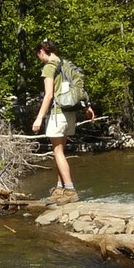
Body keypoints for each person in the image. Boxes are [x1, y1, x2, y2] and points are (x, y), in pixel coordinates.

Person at [31, 38, 89, 202]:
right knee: (60, 151)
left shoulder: (49, 67)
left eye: (38, 55)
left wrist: (39, 118)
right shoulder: (67, 65)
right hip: (70, 113)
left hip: (57, 114)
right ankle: (60, 188)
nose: (39, 58)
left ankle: (70, 191)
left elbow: (49, 95)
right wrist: (87, 107)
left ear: (42, 51)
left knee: (57, 151)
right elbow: (80, 88)